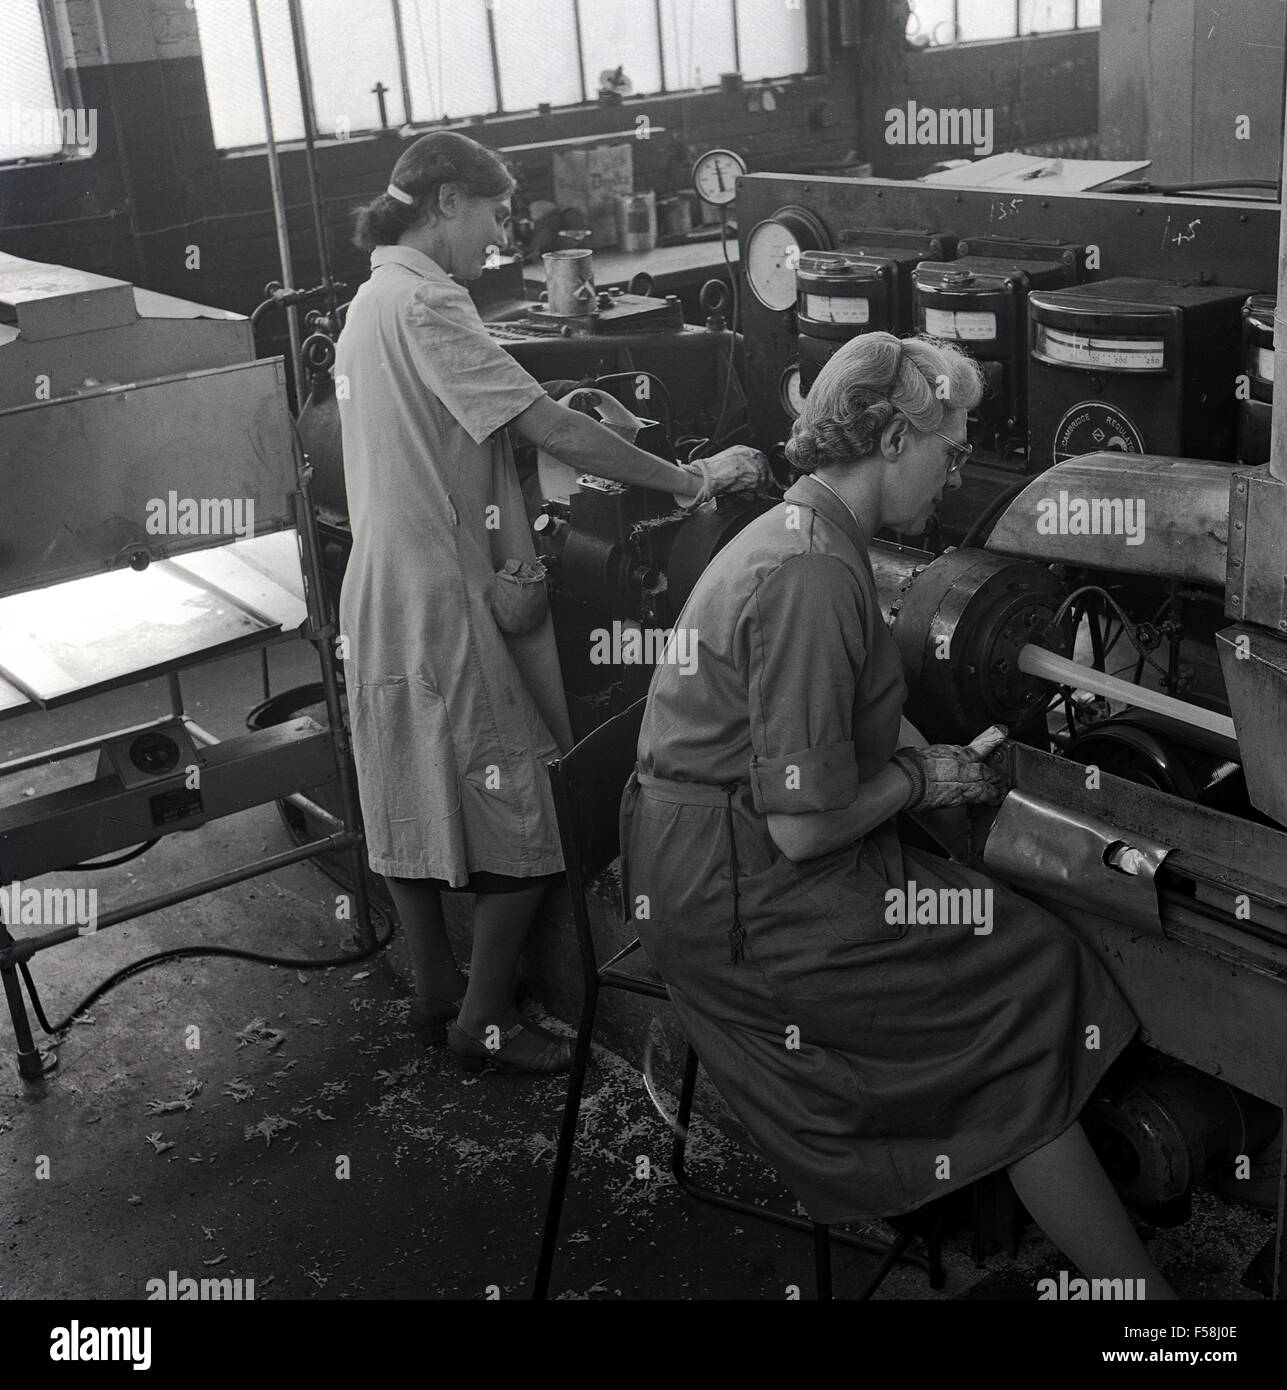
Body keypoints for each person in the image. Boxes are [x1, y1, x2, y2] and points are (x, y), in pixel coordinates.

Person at [620, 331, 1178, 1296]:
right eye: (950, 449)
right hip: (743, 894)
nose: (954, 475)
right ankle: (1148, 1311)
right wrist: (928, 784)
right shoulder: (808, 576)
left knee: (1000, 936)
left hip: (718, 853)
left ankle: (1043, 1221)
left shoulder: (803, 533)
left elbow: (852, 716)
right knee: (1028, 975)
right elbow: (800, 825)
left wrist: (927, 755)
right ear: (887, 439)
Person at [336, 131, 767, 1075]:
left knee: (406, 787)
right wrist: (687, 479)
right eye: (492, 214)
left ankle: (434, 987)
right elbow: (545, 424)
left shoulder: (369, 301)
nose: (497, 238)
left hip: (376, 587)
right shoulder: (427, 303)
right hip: (444, 593)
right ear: (446, 200)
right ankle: (480, 1025)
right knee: (530, 804)